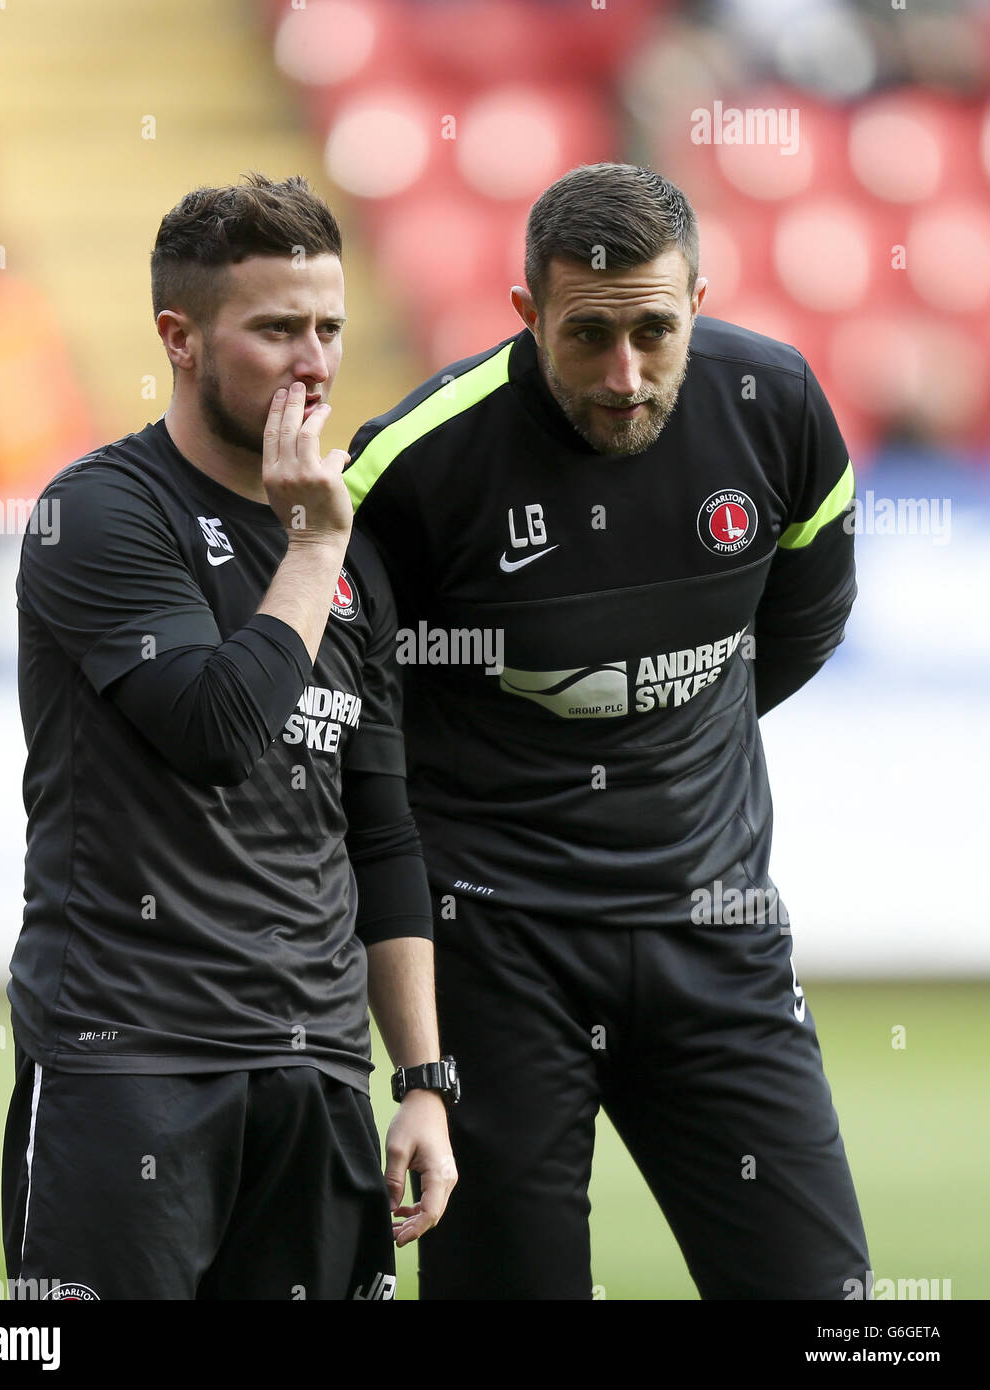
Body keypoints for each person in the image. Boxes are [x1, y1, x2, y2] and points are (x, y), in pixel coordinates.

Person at [345, 162, 868, 1300]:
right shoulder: (411, 467)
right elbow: (351, 723)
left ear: (699, 301)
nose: (625, 376)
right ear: (527, 313)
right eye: (587, 336)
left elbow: (805, 622)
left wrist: (639, 733)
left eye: (654, 330)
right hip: (494, 952)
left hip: (713, 932)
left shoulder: (773, 405)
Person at [1, 173, 456, 1302]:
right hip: (130, 1061)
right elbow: (217, 728)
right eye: (277, 330)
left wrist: (423, 1078)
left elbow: (382, 835)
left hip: (312, 1068)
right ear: (183, 338)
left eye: (330, 330)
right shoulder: (101, 514)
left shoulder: (352, 556)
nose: (314, 363)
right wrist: (308, 551)